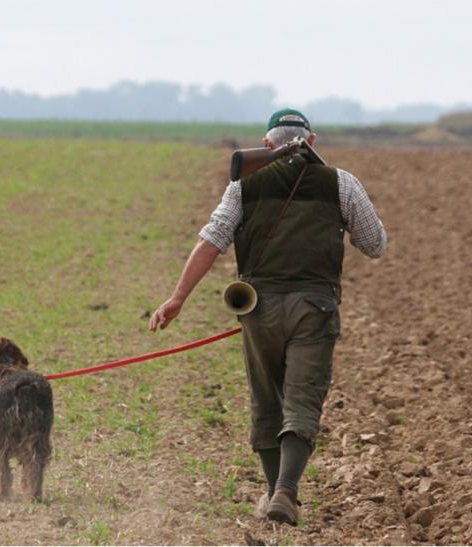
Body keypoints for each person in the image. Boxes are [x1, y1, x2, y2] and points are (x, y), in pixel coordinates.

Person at [149, 108, 386, 525]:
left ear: (267, 145)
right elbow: (375, 244)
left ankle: (274, 491)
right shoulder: (342, 183)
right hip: (314, 309)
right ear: (311, 142)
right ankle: (286, 493)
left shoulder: (243, 185)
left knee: (266, 400)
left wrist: (177, 297)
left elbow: (212, 239)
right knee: (302, 399)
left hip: (258, 309)